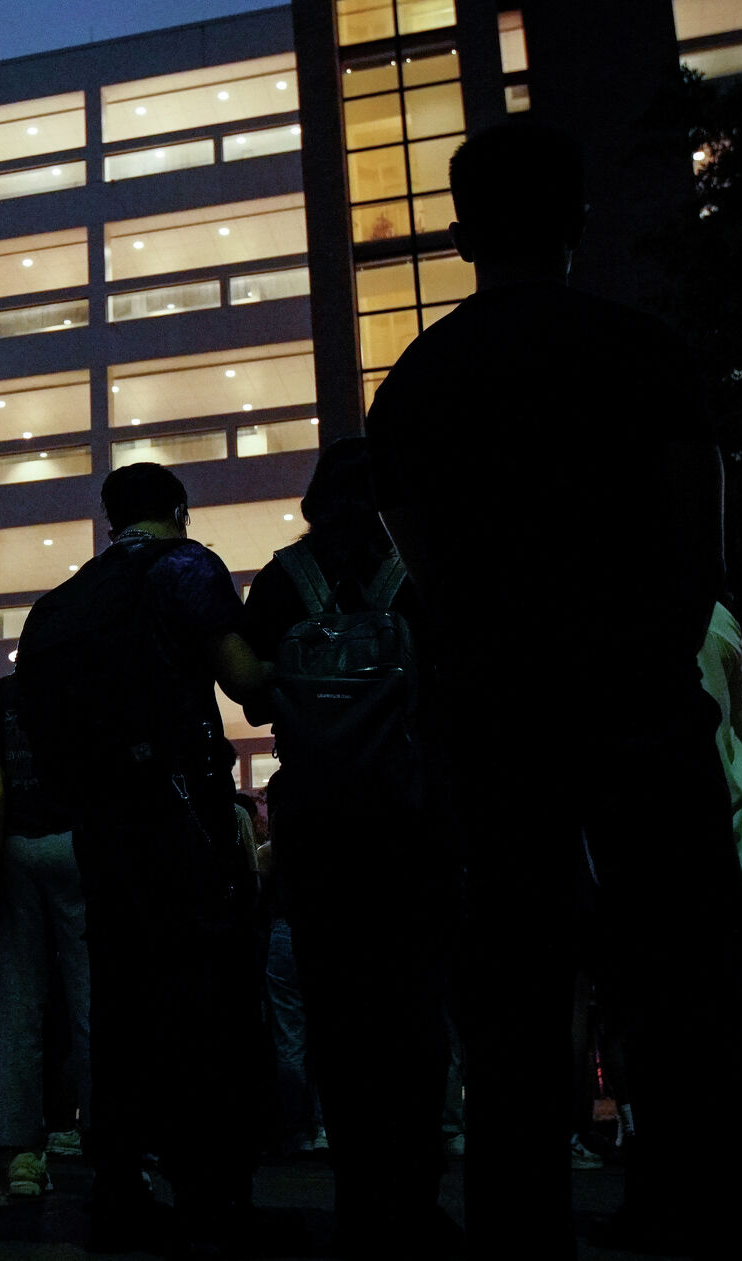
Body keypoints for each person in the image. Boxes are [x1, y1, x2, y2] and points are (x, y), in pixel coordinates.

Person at [365, 121, 742, 1255]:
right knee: (688, 985)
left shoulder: (413, 386)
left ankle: (521, 1232)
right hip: (643, 705)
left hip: (496, 723)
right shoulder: (642, 352)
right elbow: (697, 547)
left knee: (508, 1003)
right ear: (576, 218)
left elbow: (430, 577)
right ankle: (719, 1213)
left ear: (459, 231)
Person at [19, 461, 274, 1254]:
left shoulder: (63, 602)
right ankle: (205, 1188)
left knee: (118, 1001)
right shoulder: (186, 567)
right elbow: (245, 681)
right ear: (180, 508)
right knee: (200, 995)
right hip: (179, 819)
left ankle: (119, 1183)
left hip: (100, 827)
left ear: (108, 519)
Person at [237, 437, 453, 1247]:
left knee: (336, 1019)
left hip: (320, 835)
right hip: (408, 828)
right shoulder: (417, 579)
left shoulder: (284, 583)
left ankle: (360, 1198)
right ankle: (415, 1196)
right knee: (414, 1017)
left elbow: (259, 703)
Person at [0, 669, 90, 1199]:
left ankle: (23, 1154)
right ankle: (107, 1141)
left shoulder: (4, 694)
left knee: (18, 1007)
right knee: (91, 1003)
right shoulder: (82, 681)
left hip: (16, 846)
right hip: (75, 845)